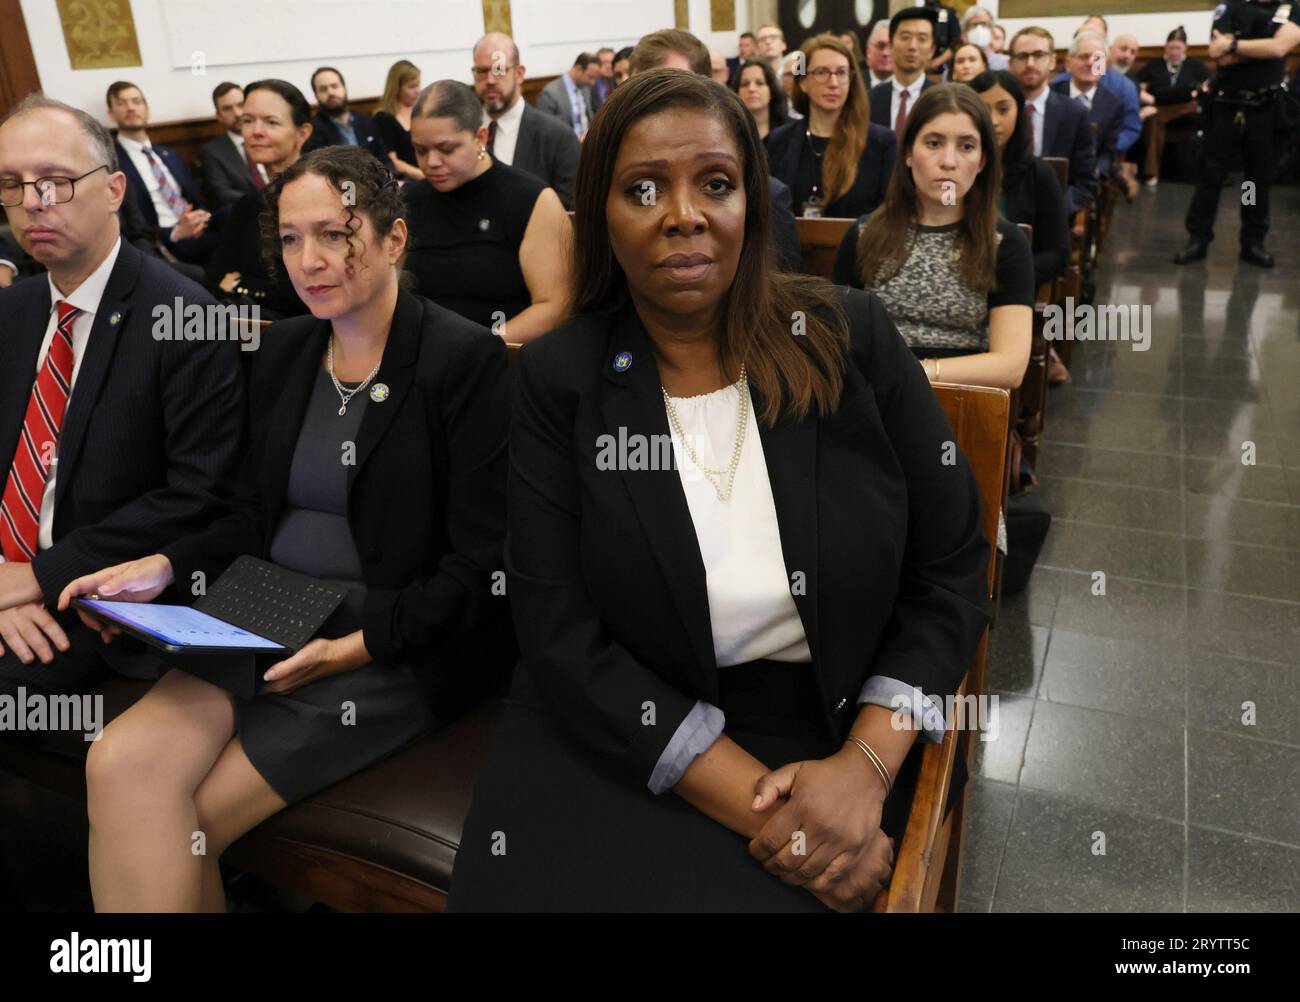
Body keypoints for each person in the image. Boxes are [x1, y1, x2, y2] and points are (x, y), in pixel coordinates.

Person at [448, 68, 992, 913]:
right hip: (623, 722)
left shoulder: (849, 339)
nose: (684, 215)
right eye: (641, 189)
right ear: (602, 216)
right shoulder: (562, 378)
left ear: (751, 203)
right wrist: (778, 813)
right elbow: (557, 631)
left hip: (829, 719)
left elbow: (953, 570)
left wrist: (863, 770)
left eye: (715, 184)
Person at [59, 145, 513, 913]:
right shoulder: (284, 348)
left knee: (188, 822)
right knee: (118, 764)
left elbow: (483, 567)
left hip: (392, 637)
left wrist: (357, 647)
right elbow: (244, 514)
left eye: (336, 233)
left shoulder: (465, 361)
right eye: (291, 238)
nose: (309, 260)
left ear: (395, 239)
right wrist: (163, 568)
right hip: (263, 610)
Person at [0, 94, 243, 700]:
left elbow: (196, 492)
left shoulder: (186, 317)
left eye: (55, 181)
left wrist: (34, 577)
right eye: (12, 184)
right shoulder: (11, 310)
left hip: (93, 597)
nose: (32, 201)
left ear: (113, 190)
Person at [833, 84, 1033, 390]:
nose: (949, 161)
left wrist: (918, 373)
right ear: (909, 154)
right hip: (874, 397)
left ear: (982, 161)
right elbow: (838, 338)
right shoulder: (864, 234)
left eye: (966, 146)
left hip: (964, 398)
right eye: (934, 143)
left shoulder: (1005, 243)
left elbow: (1011, 365)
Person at [403, 81, 571, 343]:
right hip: (423, 354)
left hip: (503, 356)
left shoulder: (530, 200)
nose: (431, 163)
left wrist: (480, 347)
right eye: (421, 151)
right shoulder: (409, 202)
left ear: (480, 138)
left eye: (446, 149)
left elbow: (555, 305)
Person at [630, 29, 803, 273]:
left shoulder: (761, 194)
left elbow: (778, 289)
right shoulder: (617, 187)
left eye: (673, 93)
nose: (655, 109)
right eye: (641, 93)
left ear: (707, 91)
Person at [1175, 1, 1300, 267]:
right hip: (1224, 106)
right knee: (1211, 176)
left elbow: (1280, 48)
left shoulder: (1293, 7)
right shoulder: (1230, 7)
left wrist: (1235, 44)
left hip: (1264, 109)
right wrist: (1262, 47)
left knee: (1253, 181)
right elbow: (1217, 53)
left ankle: (1251, 241)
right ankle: (1198, 237)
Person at [205, 79, 314, 319]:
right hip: (254, 328)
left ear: (302, 133)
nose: (255, 131)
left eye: (271, 122)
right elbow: (214, 279)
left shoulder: (321, 201)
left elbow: (307, 290)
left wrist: (241, 284)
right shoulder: (248, 205)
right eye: (248, 121)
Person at [766, 34, 897, 218]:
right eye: (822, 73)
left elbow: (888, 214)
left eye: (842, 73)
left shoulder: (881, 142)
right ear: (803, 82)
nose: (834, 83)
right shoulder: (778, 141)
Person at [970, 69, 1068, 290]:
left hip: (1014, 286)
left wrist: (1011, 278)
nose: (993, 120)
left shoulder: (1039, 174)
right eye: (983, 110)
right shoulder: (953, 171)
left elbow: (1057, 253)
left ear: (1019, 112)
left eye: (1003, 109)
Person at [107, 81, 215, 267]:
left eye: (137, 101)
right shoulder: (112, 163)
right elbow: (130, 227)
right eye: (122, 103)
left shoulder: (170, 154)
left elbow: (196, 200)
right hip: (163, 242)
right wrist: (175, 232)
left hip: (198, 229)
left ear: (147, 110)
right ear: (111, 114)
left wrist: (200, 218)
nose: (131, 107)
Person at [471, 33, 582, 210]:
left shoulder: (558, 137)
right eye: (482, 71)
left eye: (499, 69)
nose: (490, 80)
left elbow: (571, 212)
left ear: (519, 74)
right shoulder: (465, 132)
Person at [1009, 26, 1097, 213]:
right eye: (1023, 56)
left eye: (1039, 55)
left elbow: (1085, 181)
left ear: (1052, 61)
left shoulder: (1074, 113)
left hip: (1055, 211)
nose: (1031, 63)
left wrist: (1056, 209)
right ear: (1011, 64)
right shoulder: (1000, 111)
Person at [1050, 32, 1124, 180]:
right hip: (1050, 174)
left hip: (1089, 179)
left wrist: (1097, 171)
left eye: (1097, 58)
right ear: (1068, 64)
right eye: (1084, 56)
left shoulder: (1114, 104)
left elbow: (1108, 153)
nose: (1090, 62)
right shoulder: (1051, 94)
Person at [199, 83, 266, 215]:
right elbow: (222, 193)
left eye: (241, 105)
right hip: (251, 213)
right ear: (219, 116)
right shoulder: (212, 151)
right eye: (227, 109)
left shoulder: (269, 135)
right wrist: (263, 200)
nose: (237, 113)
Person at [870, 9, 939, 136]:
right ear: (891, 45)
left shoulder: (941, 100)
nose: (912, 46)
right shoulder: (870, 99)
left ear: (932, 50)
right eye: (905, 37)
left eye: (922, 39)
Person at [306, 67, 390, 167]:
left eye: (334, 86)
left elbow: (385, 159)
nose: (331, 93)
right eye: (323, 89)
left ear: (344, 88)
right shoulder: (312, 131)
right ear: (316, 96)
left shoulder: (367, 120)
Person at [373, 60, 424, 182]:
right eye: (412, 87)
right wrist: (425, 177)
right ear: (396, 88)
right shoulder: (384, 117)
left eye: (418, 85)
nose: (418, 91)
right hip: (407, 179)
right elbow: (394, 162)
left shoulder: (420, 109)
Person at [536, 53, 599, 139]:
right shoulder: (549, 93)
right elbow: (545, 130)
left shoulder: (585, 88)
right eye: (590, 77)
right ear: (579, 69)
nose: (593, 83)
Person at [731, 59, 788, 140]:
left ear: (771, 91)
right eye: (745, 84)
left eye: (760, 83)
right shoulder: (729, 131)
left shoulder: (791, 130)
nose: (751, 89)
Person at [865, 20, 894, 86]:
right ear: (868, 51)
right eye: (880, 46)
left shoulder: (906, 88)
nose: (885, 53)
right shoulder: (854, 83)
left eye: (891, 46)